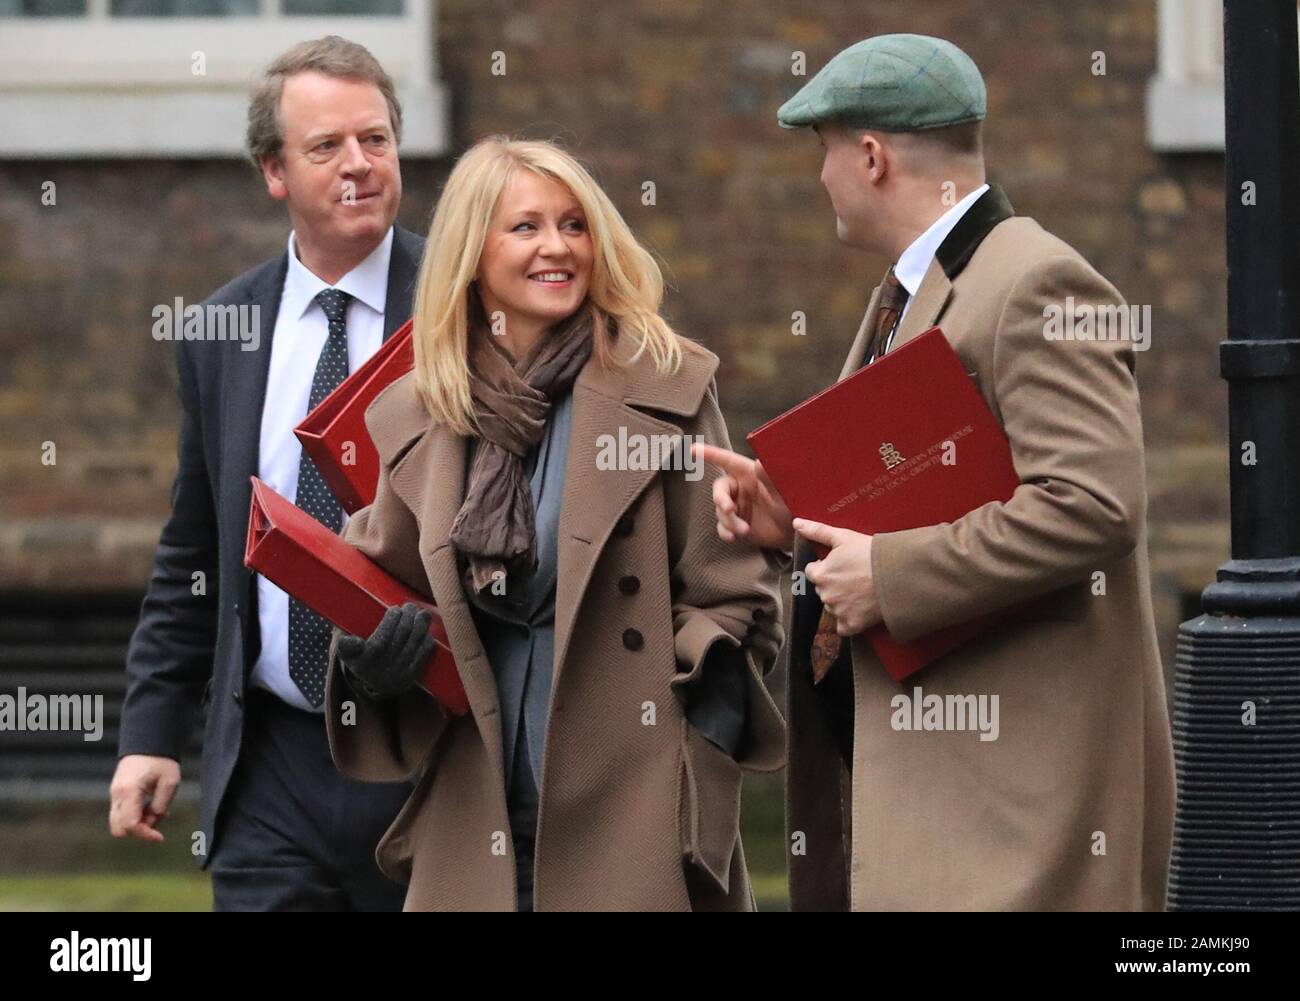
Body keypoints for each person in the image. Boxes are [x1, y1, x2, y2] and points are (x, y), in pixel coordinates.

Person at [698, 33, 1174, 910]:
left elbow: (1095, 504)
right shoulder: (921, 287)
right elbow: (931, 491)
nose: (821, 178)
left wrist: (887, 575)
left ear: (872, 156)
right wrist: (795, 521)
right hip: (932, 796)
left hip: (1011, 817)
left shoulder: (1037, 282)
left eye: (825, 150)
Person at [324, 136, 787, 911]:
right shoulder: (420, 414)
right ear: (473, 254)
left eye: (574, 225)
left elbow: (733, 590)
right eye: (526, 227)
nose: (558, 247)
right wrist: (370, 663)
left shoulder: (665, 387)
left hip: (635, 806)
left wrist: (700, 716)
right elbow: (381, 592)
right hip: (477, 808)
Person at [111, 35, 424, 911]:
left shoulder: (465, 306)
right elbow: (192, 548)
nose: (358, 165)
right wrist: (151, 734)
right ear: (274, 172)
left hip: (428, 751)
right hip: (269, 764)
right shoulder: (221, 330)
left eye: (376, 139)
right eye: (326, 147)